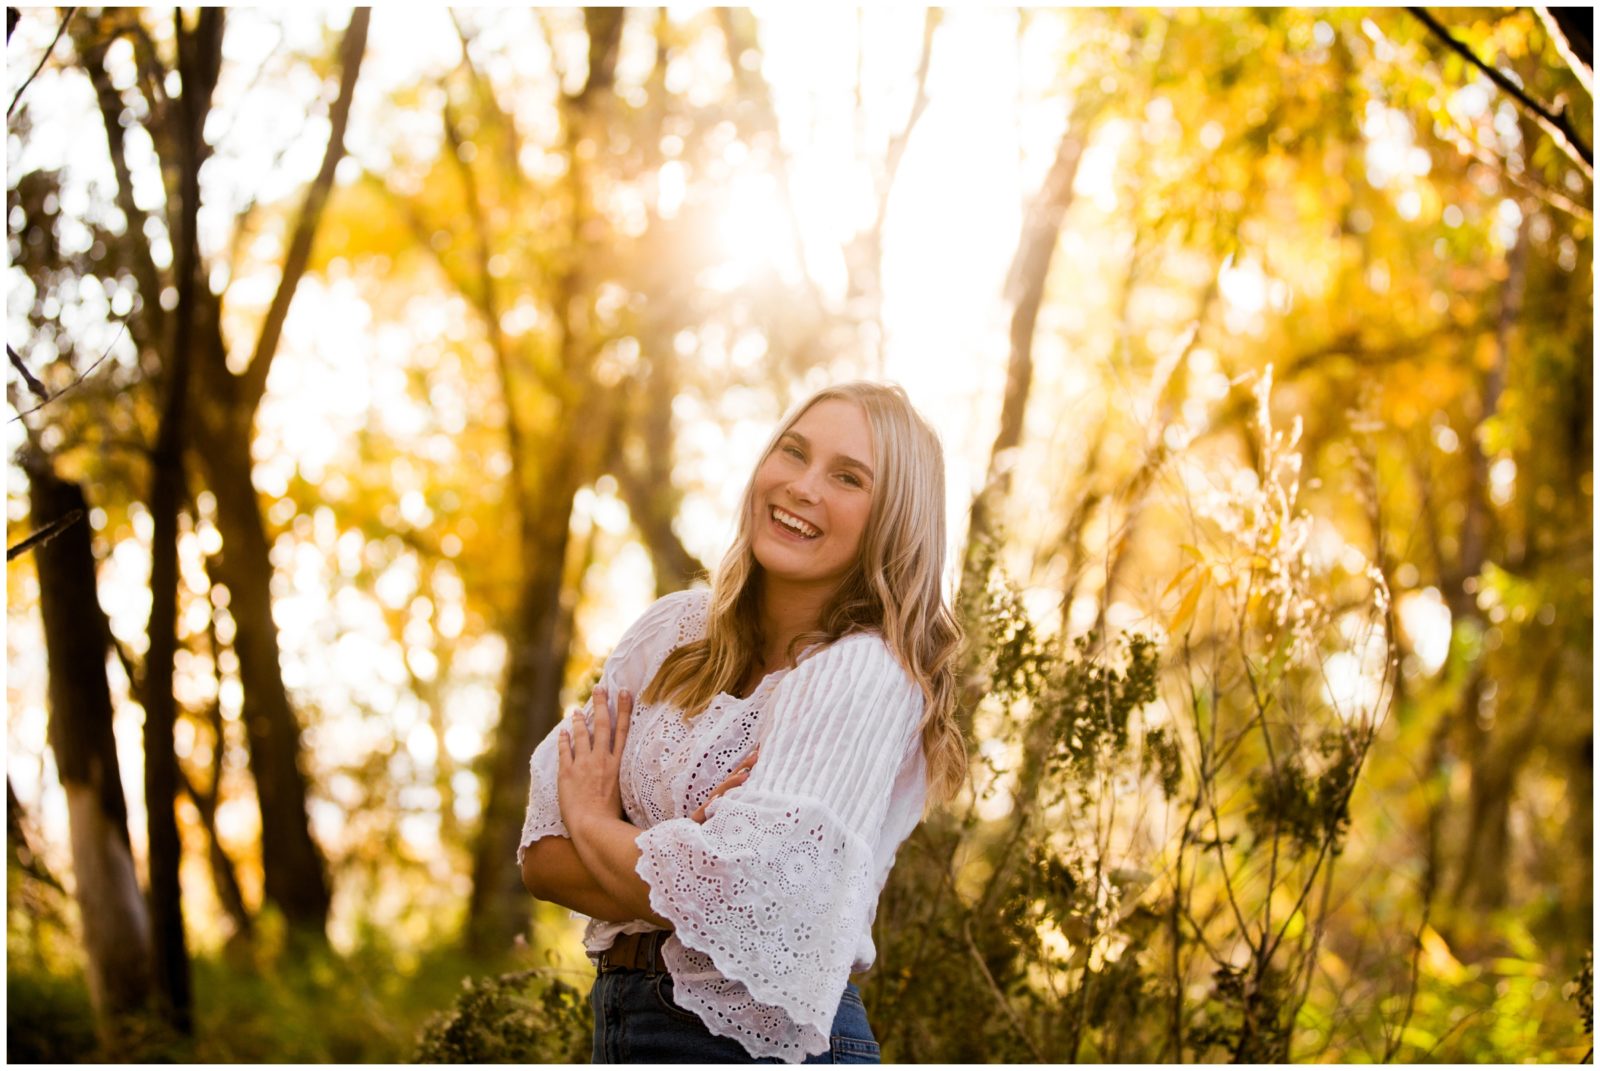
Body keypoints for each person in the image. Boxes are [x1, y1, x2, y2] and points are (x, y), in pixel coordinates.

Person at [517, 381, 963, 1063]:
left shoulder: (867, 674)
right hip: (624, 1025)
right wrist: (684, 858)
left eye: (847, 477)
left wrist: (595, 820)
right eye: (793, 452)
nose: (803, 486)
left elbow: (741, 898)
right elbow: (541, 856)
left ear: (891, 520)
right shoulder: (669, 633)